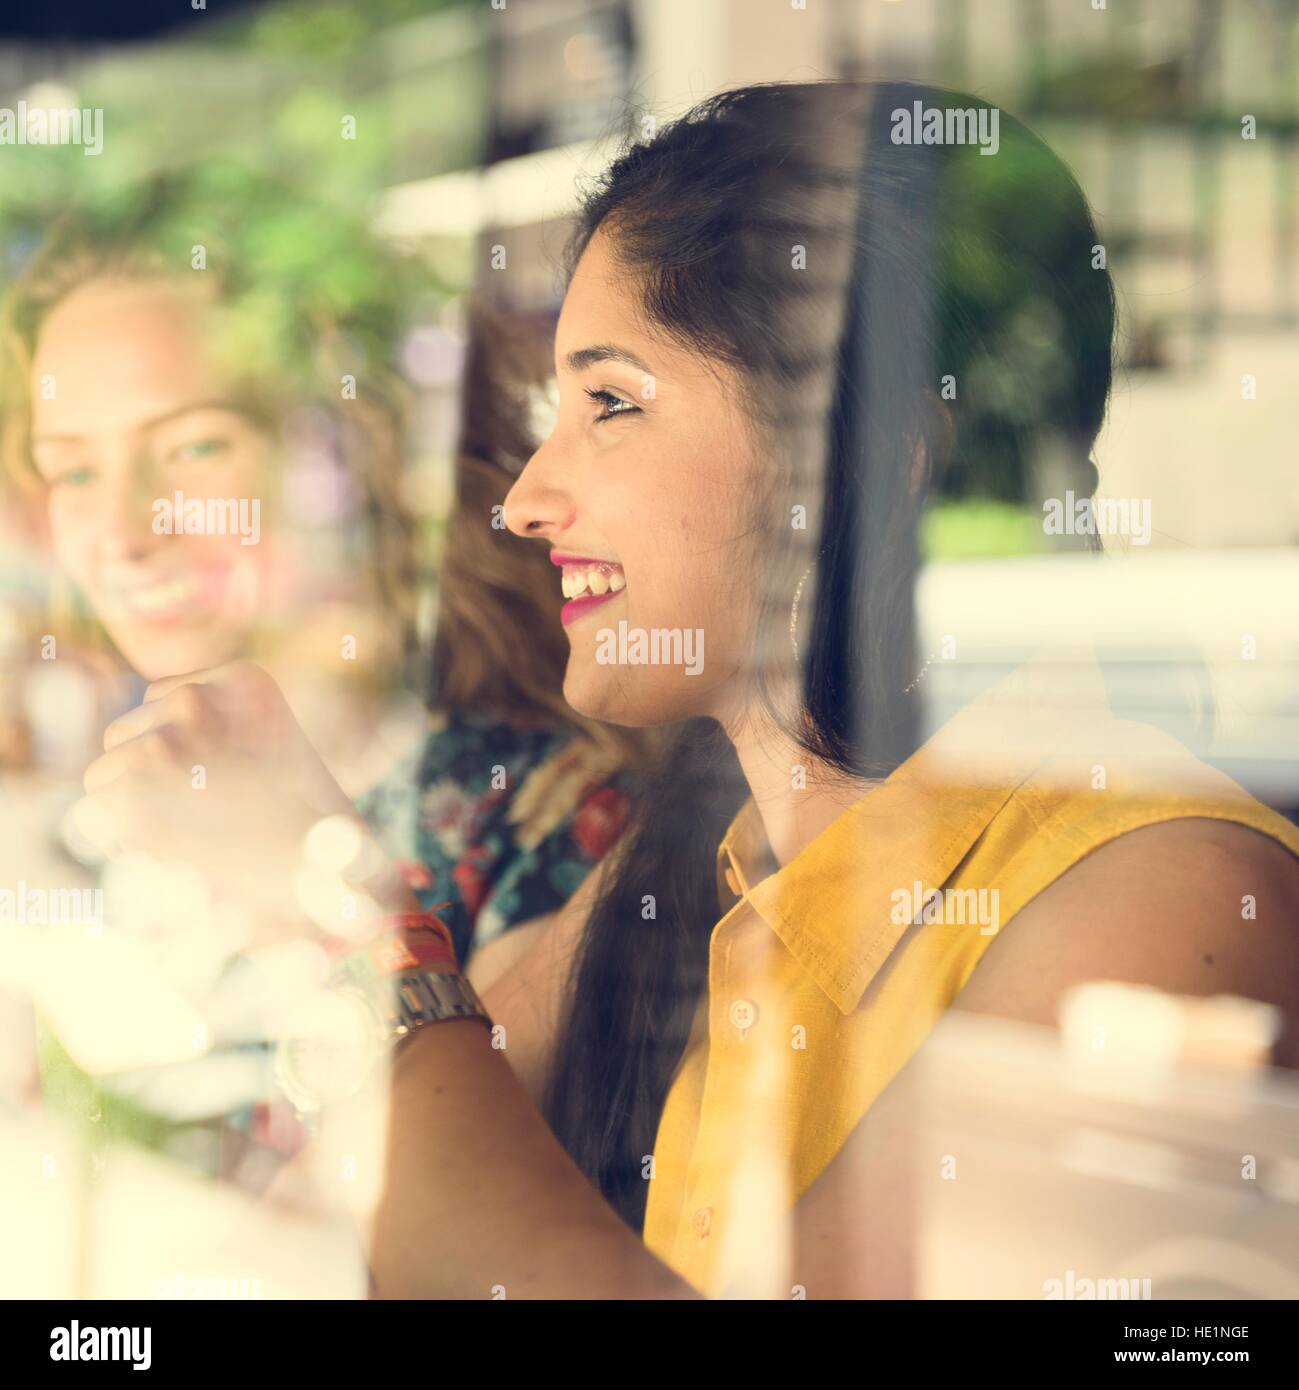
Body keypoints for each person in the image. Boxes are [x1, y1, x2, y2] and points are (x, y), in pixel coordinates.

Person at [72, 81, 1299, 1297]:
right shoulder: (704, 855)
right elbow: (350, 1216)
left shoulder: (1173, 900)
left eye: (612, 402)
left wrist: (325, 904)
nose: (525, 500)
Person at [0, 170, 642, 1196]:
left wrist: (308, 882)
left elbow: (486, 1228)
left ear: (358, 453)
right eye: (73, 467)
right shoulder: (121, 793)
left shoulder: (550, 824)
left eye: (196, 445)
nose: (122, 528)